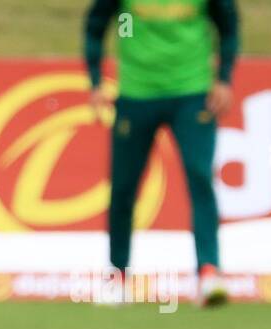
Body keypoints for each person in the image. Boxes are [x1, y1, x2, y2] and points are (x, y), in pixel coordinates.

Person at [84, 0, 241, 306]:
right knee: (123, 188)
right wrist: (95, 81)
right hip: (135, 93)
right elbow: (95, 26)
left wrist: (223, 79)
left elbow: (228, 27)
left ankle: (209, 272)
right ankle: (117, 275)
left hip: (192, 93)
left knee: (200, 178)